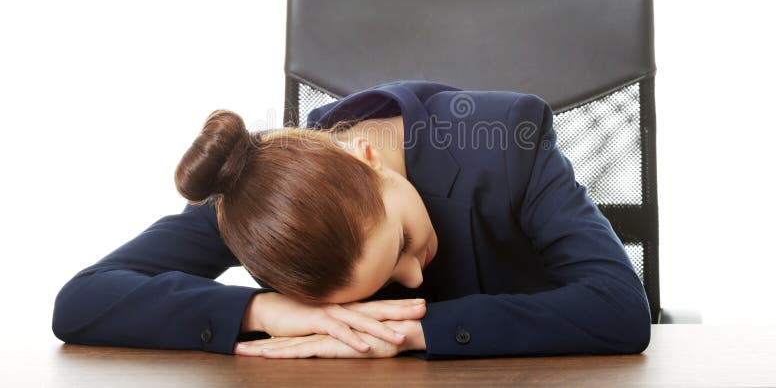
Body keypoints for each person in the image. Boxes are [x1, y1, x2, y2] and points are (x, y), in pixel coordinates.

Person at [52, 79, 651, 360]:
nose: (413, 278)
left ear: (367, 160)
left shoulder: (507, 144)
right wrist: (266, 310)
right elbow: (82, 300)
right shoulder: (258, 194)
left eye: (402, 244)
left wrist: (409, 330)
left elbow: (619, 307)